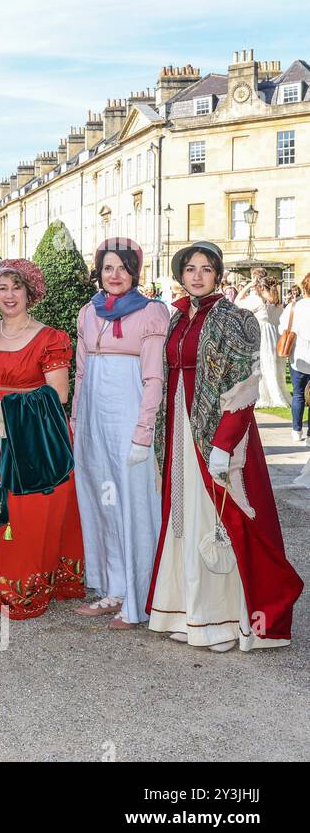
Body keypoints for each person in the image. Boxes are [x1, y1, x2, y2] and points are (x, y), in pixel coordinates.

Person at [146, 241, 304, 652]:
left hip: (215, 432)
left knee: (220, 519)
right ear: (181, 275)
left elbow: (243, 386)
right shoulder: (177, 316)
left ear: (218, 274)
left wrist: (224, 442)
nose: (197, 275)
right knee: (185, 516)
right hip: (180, 425)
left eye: (206, 268)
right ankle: (187, 610)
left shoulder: (235, 319)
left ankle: (224, 619)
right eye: (190, 268)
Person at [0, 258, 84, 619]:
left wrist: (6, 408)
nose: (9, 295)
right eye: (2, 288)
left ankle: (24, 590)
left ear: (30, 292)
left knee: (26, 511)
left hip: (30, 432)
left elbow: (58, 396)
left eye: (16, 287)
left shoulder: (51, 338)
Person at [71, 238, 170, 629]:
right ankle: (113, 587)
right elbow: (80, 373)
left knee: (133, 505)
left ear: (135, 272)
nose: (115, 275)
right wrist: (77, 422)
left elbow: (154, 378)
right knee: (105, 503)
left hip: (128, 418)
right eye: (108, 267)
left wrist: (143, 432)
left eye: (123, 268)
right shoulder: (88, 312)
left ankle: (138, 598)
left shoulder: (151, 313)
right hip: (95, 421)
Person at [236, 270, 289, 409]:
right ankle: (274, 393)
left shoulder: (257, 300)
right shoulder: (276, 300)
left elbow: (237, 302)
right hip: (274, 334)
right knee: (272, 364)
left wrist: (248, 286)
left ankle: (263, 395)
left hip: (262, 334)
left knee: (261, 364)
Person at [281, 273, 310, 441]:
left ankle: (296, 430)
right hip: (300, 355)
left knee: (298, 394)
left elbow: (282, 328)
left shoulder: (294, 307)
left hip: (298, 356)